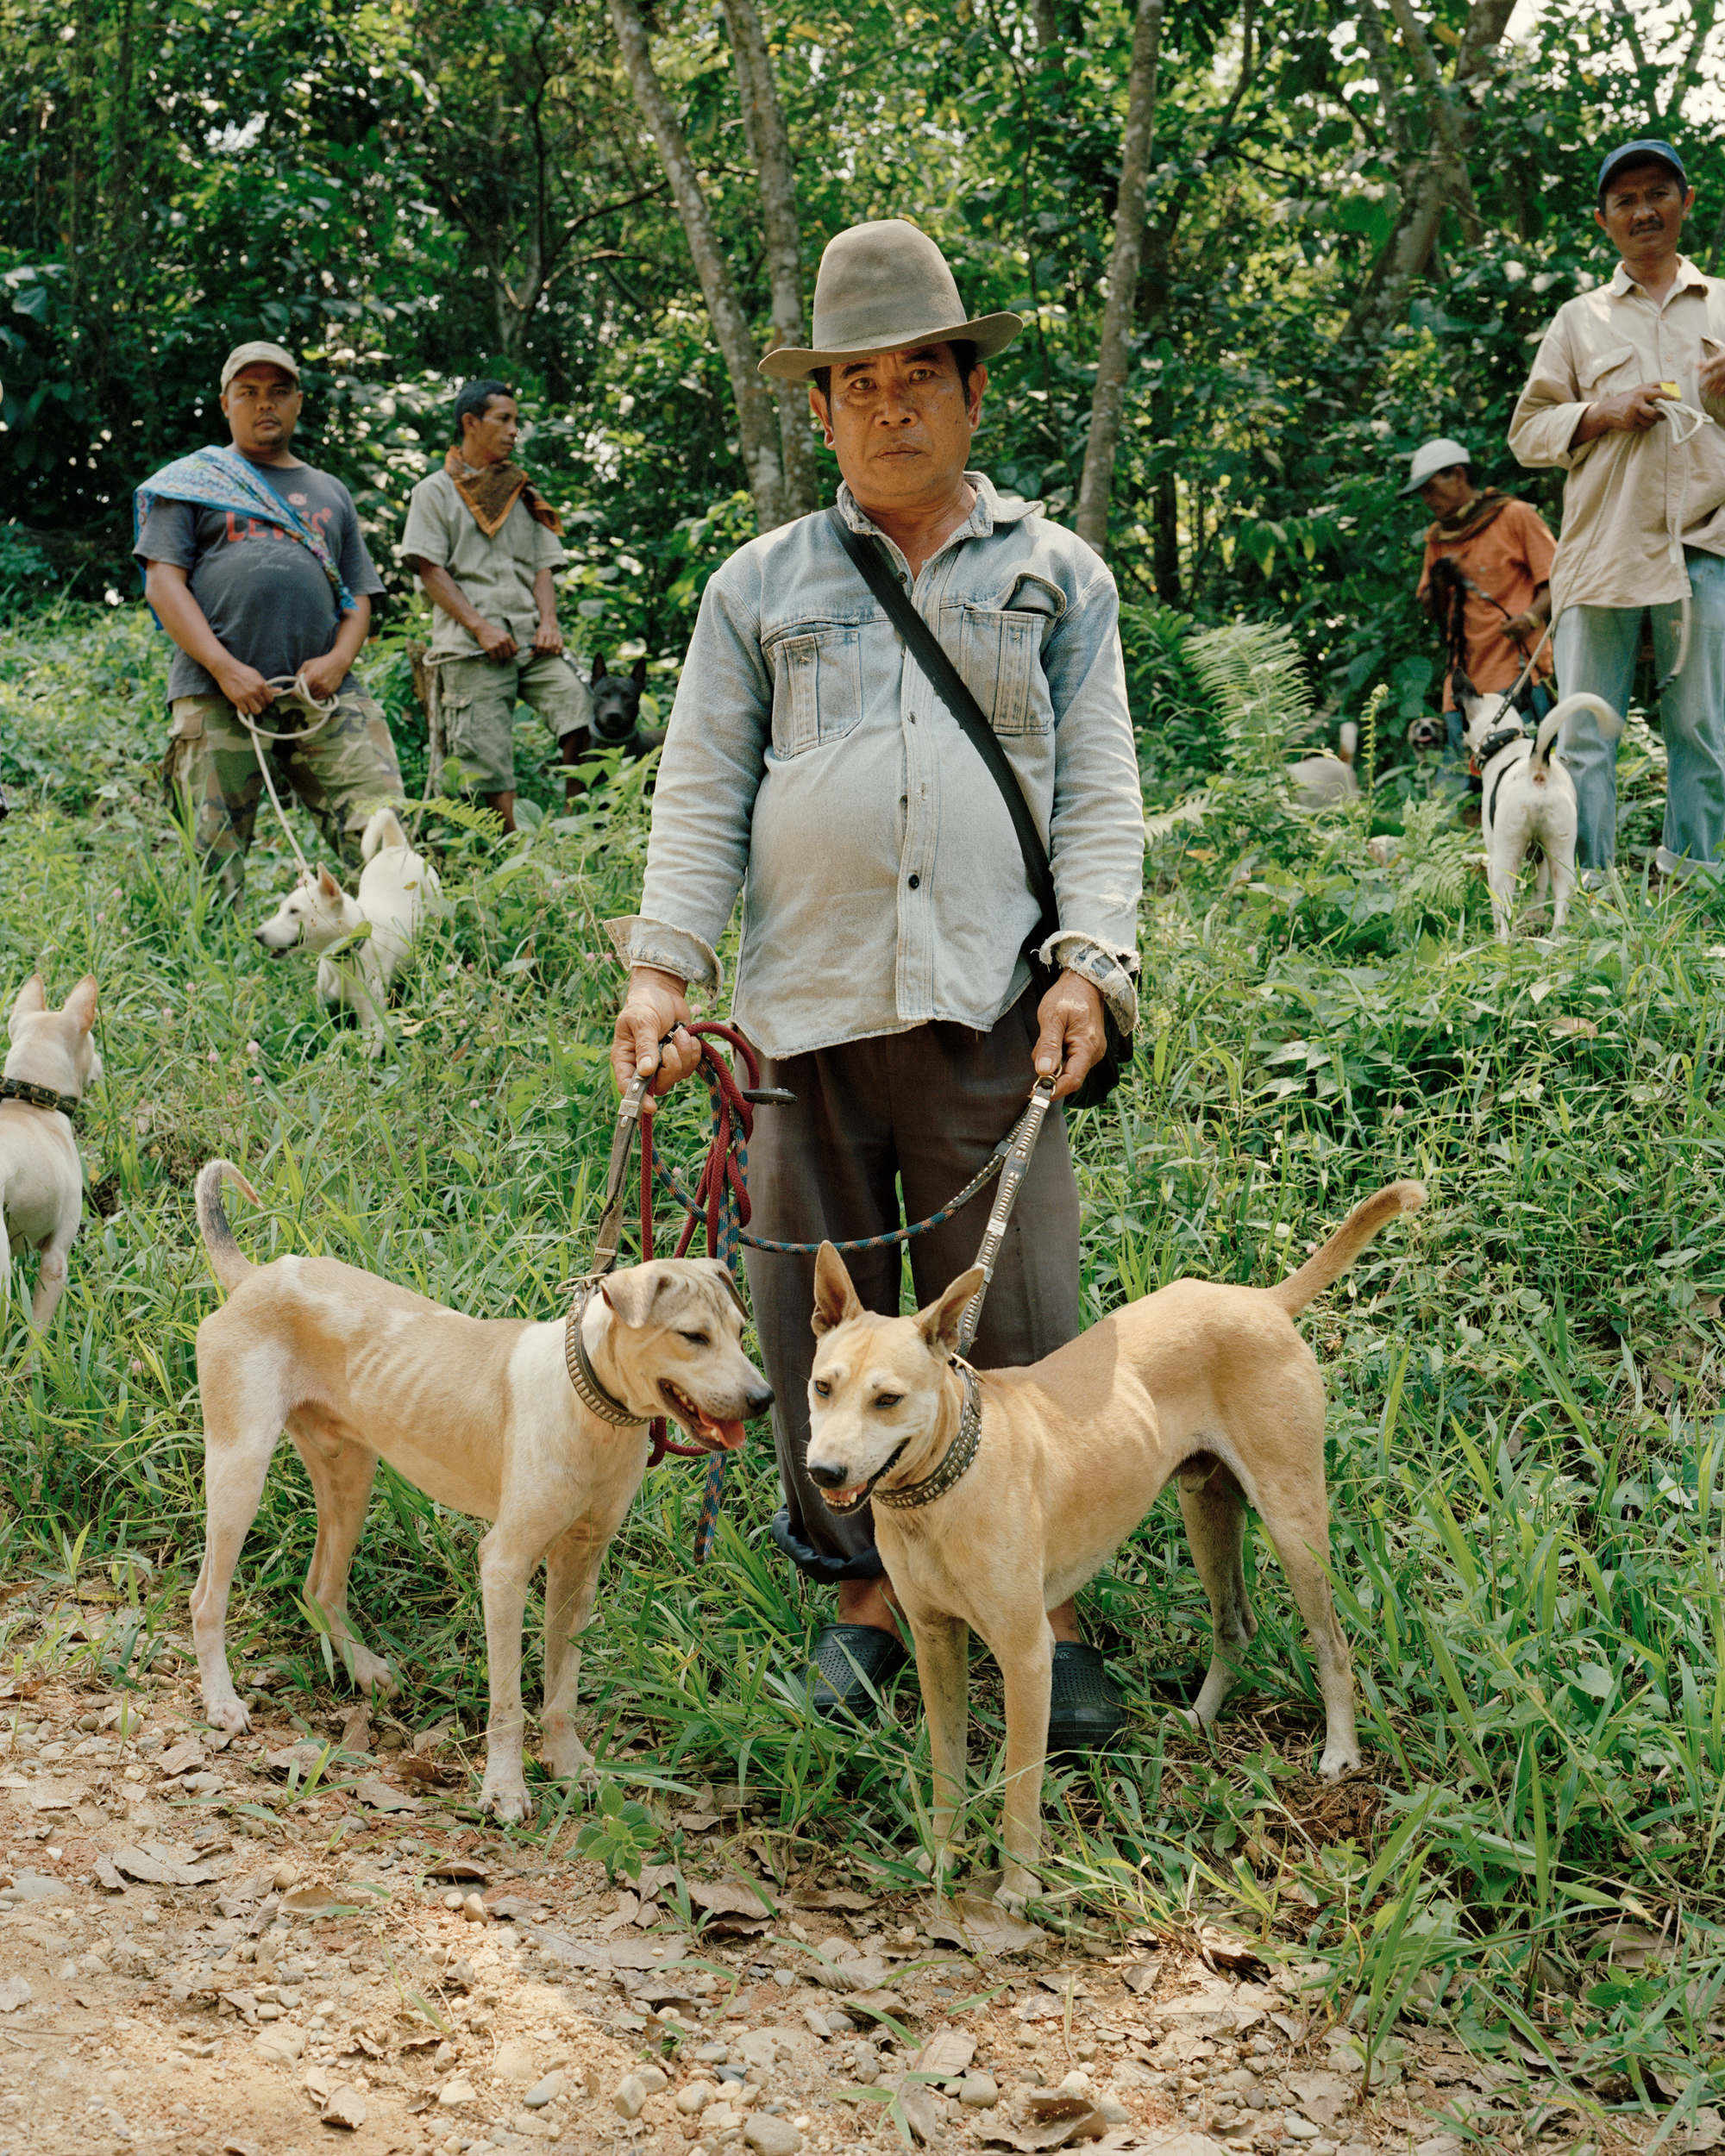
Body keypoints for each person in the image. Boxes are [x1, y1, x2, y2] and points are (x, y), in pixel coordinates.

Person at [606, 220, 1145, 1748]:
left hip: (991, 1007)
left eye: (922, 375)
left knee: (1019, 1312)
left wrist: (1091, 965)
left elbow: (1100, 791)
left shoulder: (1057, 575)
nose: (892, 405)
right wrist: (662, 971)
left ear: (974, 392)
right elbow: (701, 790)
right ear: (822, 410)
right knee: (813, 1319)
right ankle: (862, 1593)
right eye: (859, 382)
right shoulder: (757, 585)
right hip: (805, 1017)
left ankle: (1039, 1600)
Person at [1509, 138, 1725, 874]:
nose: (1644, 211)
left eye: (1658, 193)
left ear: (1686, 202)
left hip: (1706, 545)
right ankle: (1587, 893)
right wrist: (1602, 411)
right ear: (1603, 220)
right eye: (1625, 200)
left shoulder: (1723, 304)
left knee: (1702, 731)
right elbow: (1527, 434)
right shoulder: (1579, 319)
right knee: (1584, 732)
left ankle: (1695, 887)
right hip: (1604, 550)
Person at [135, 342, 404, 904]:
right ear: (225, 403)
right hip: (214, 693)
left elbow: (358, 595)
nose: (265, 404)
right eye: (249, 392)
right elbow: (163, 585)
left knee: (385, 837)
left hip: (324, 695)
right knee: (212, 861)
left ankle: (399, 947)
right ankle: (217, 959)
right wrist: (224, 668)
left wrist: (338, 662)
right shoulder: (190, 482)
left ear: (298, 402)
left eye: (279, 392)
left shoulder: (330, 491)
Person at [401, 381, 593, 832]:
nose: (513, 431)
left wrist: (549, 623)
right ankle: (509, 847)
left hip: (531, 641)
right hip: (470, 647)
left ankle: (577, 827)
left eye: (515, 421)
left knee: (582, 712)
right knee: (484, 758)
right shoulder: (434, 492)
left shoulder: (521, 492)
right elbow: (429, 569)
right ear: (471, 422)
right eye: (503, 419)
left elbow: (542, 567)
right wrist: (480, 627)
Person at [1407, 436, 1556, 725]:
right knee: (1462, 755)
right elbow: (1430, 609)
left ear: (1458, 475)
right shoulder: (1439, 537)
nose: (1427, 500)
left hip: (1518, 673)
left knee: (1521, 754)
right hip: (1462, 683)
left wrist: (1530, 618)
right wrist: (1441, 577)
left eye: (1431, 489)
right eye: (1422, 493)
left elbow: (1557, 580)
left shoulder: (1513, 515)